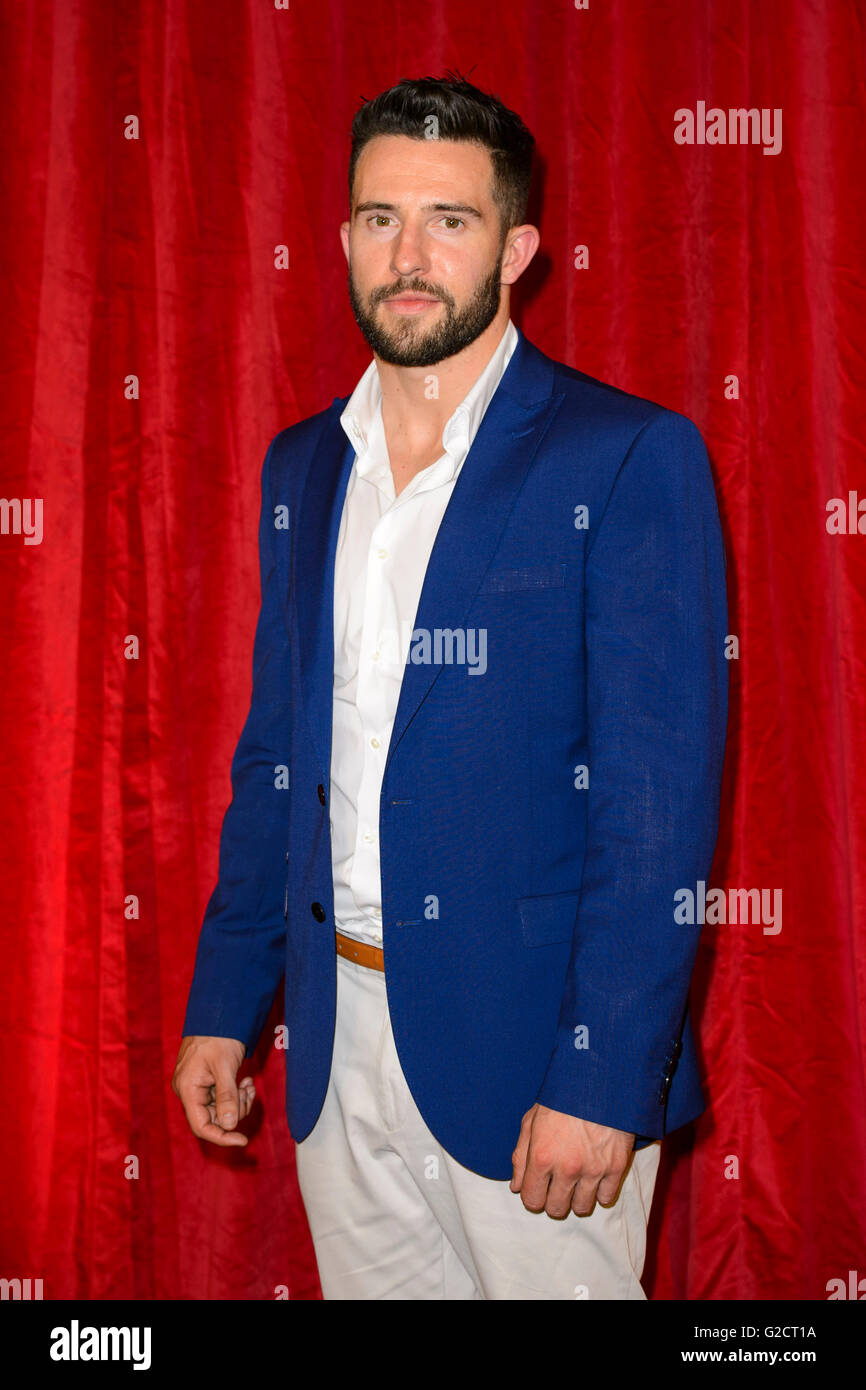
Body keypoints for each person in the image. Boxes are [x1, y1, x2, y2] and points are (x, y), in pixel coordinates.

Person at [173, 72, 729, 1301]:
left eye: (449, 220)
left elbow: (656, 809)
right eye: (380, 218)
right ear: (343, 238)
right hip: (335, 1044)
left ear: (518, 248)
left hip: (535, 1054)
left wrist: (598, 1076)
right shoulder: (302, 466)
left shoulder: (626, 455)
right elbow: (278, 757)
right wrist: (227, 996)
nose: (408, 255)